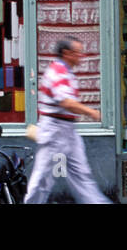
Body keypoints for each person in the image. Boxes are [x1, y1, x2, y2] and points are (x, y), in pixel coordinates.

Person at [24, 37, 111, 204]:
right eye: (78, 52)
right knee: (43, 178)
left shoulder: (66, 72)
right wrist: (90, 112)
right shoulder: (57, 72)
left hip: (66, 130)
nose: (81, 56)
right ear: (66, 53)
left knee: (81, 174)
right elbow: (66, 102)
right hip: (55, 130)